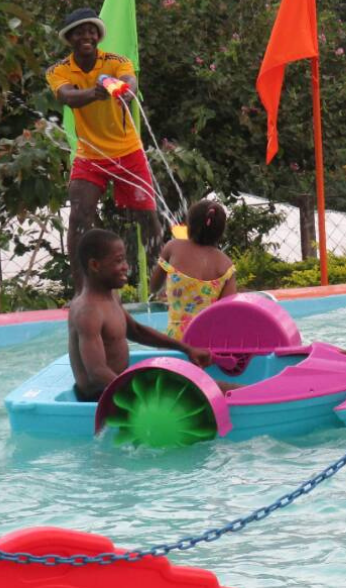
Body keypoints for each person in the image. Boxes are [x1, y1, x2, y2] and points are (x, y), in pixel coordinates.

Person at [46, 7, 161, 293]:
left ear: (98, 36)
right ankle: (82, 290)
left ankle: (162, 285)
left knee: (148, 217)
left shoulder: (116, 62)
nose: (87, 35)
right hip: (90, 155)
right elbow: (67, 97)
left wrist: (125, 88)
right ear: (69, 38)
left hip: (128, 152)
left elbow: (130, 81)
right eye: (80, 32)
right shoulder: (58, 70)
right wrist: (95, 93)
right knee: (79, 216)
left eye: (92, 31)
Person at [68, 228, 215, 401]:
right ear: (95, 265)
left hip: (117, 384)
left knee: (200, 382)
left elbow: (136, 331)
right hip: (100, 397)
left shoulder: (111, 296)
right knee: (194, 389)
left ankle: (247, 395)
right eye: (119, 261)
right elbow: (96, 372)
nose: (126, 267)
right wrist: (141, 394)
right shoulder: (88, 311)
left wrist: (187, 349)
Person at [150, 200, 237, 340]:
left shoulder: (173, 248)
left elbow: (153, 286)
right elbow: (227, 312)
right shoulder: (226, 265)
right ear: (220, 230)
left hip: (176, 340)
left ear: (189, 225)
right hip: (209, 341)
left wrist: (170, 290)